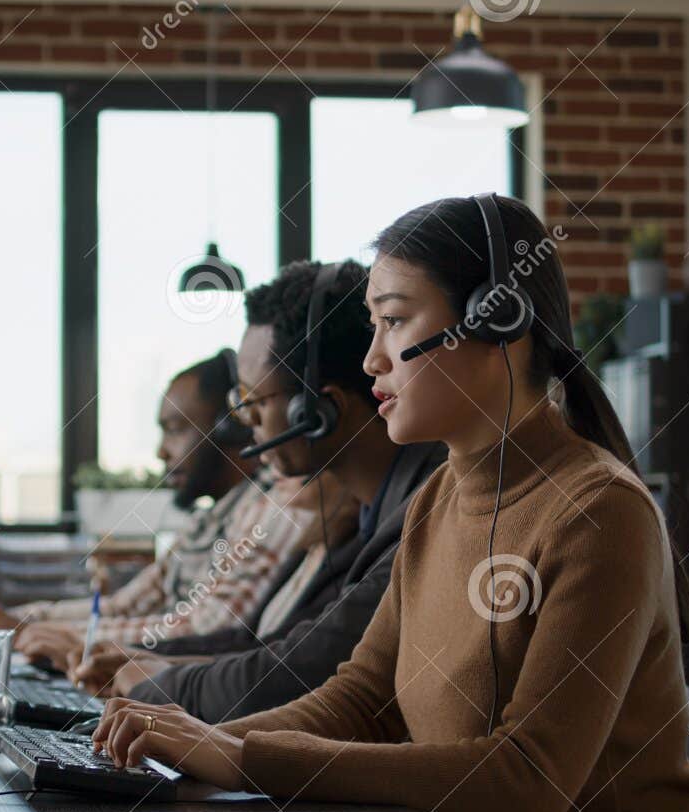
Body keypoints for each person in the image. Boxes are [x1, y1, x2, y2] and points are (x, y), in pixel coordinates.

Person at [93, 195, 689, 812]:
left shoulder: (598, 513)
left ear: (497, 317)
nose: (371, 361)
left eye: (393, 321)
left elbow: (527, 781)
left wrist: (239, 758)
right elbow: (361, 698)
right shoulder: (436, 498)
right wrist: (189, 750)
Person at [71, 259, 445, 722]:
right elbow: (276, 649)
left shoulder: (419, 512)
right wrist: (151, 664)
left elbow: (289, 679)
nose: (245, 428)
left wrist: (152, 683)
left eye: (252, 403)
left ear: (314, 410)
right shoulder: (368, 518)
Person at [0, 352, 314, 654]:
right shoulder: (210, 518)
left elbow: (203, 628)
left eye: (174, 429)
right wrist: (13, 622)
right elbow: (124, 606)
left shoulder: (270, 506)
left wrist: (52, 638)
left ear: (230, 427)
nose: (161, 451)